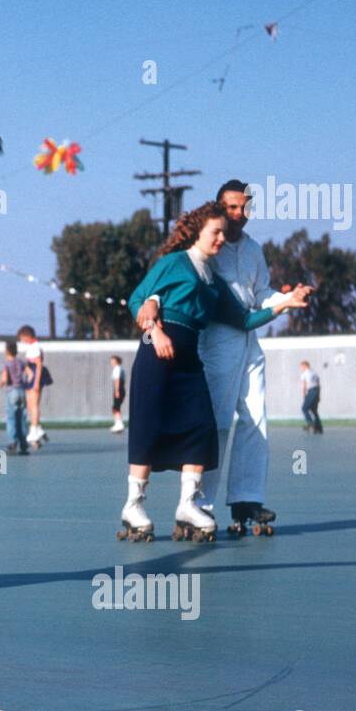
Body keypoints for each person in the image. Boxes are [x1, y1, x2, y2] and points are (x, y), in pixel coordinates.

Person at [118, 201, 308, 542]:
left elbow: (245, 320)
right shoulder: (174, 263)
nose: (221, 239)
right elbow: (137, 300)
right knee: (148, 425)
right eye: (214, 232)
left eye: (223, 232)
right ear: (197, 232)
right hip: (157, 349)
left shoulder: (213, 281)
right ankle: (134, 505)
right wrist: (155, 332)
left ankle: (188, 504)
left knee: (202, 428)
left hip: (189, 354)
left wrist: (283, 303)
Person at [17, 325, 53, 446]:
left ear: (27, 336)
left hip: (36, 378)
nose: (21, 340)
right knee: (30, 405)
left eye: (22, 338)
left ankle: (34, 430)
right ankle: (38, 428)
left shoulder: (35, 347)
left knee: (34, 404)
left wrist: (36, 382)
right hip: (31, 377)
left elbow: (38, 365)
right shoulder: (32, 347)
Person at [0, 340, 30, 454]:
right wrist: (25, 383)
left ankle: (12, 442)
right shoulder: (21, 362)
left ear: (7, 351)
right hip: (22, 391)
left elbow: (5, 379)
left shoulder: (5, 364)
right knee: (22, 418)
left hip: (12, 392)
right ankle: (23, 442)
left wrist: (0, 384)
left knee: (11, 418)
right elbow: (30, 374)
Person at [299, 360, 322, 434]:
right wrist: (318, 395)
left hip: (311, 391)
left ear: (305, 366)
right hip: (316, 391)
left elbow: (304, 385)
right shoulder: (314, 373)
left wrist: (304, 395)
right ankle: (318, 428)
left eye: (301, 367)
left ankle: (310, 423)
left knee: (304, 408)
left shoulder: (304, 374)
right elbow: (318, 384)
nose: (301, 368)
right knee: (314, 410)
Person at [109, 355, 126, 433]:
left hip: (119, 389)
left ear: (116, 361)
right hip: (121, 389)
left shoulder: (117, 368)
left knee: (116, 407)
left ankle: (119, 424)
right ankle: (118, 423)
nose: (111, 362)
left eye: (112, 360)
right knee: (116, 407)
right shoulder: (121, 369)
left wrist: (117, 391)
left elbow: (117, 380)